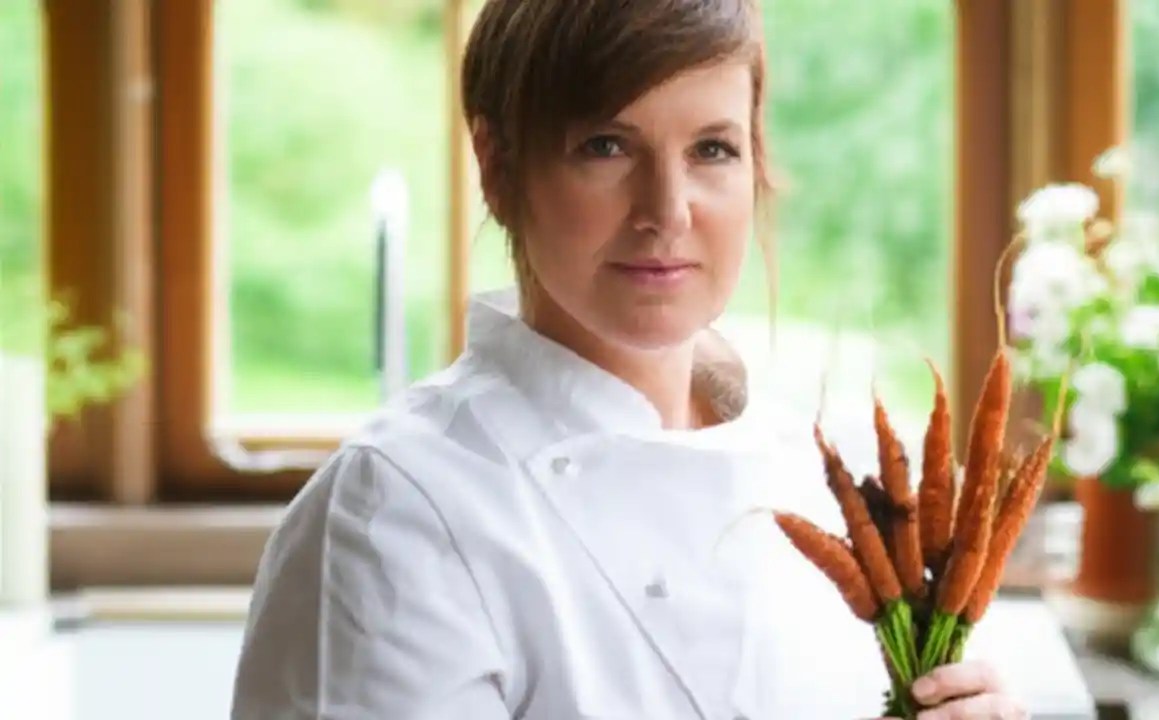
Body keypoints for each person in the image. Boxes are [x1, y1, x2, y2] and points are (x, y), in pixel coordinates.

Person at [231, 1, 1026, 718]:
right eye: (607, 145)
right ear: (499, 168)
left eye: (713, 149)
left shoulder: (827, 477)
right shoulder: (396, 515)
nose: (667, 211)